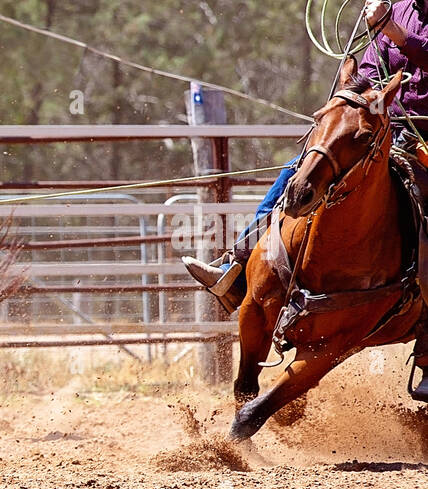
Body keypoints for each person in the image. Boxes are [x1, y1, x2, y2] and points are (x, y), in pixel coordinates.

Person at [183, 0, 428, 314]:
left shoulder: (392, 16)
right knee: (304, 166)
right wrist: (355, 98)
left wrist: (393, 30)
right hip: (383, 126)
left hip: (423, 133)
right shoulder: (398, 7)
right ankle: (237, 266)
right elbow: (369, 71)